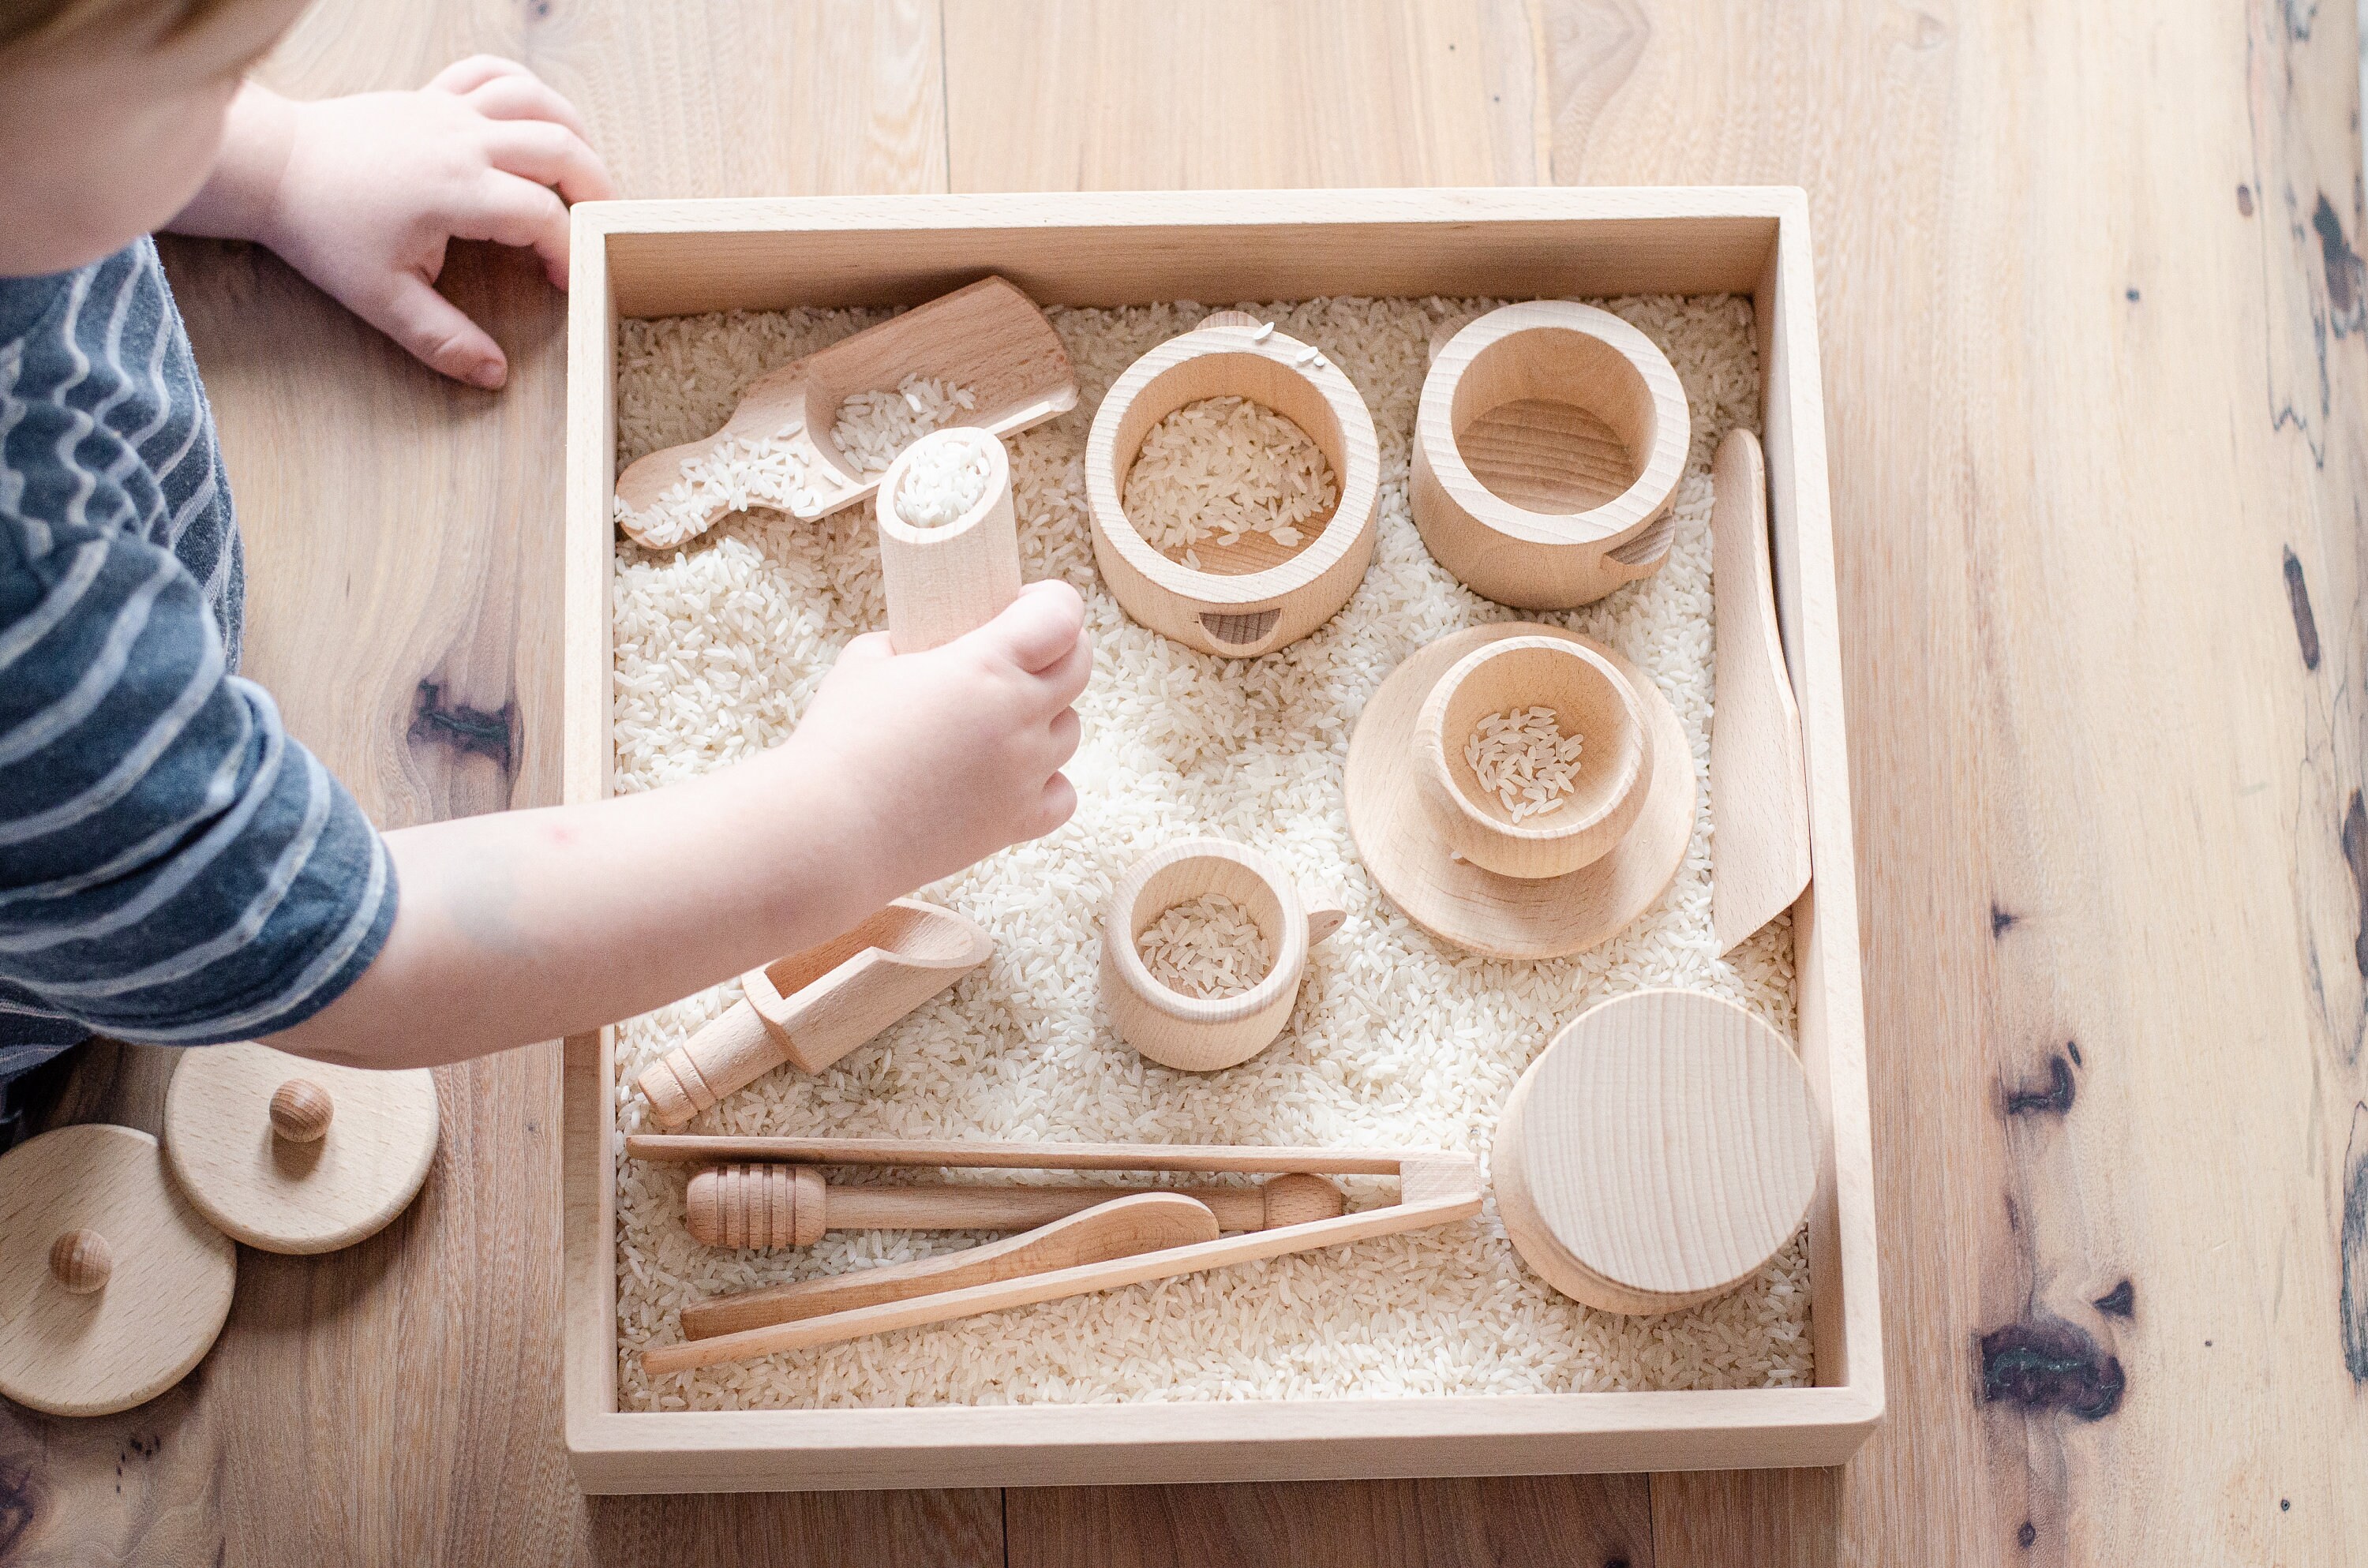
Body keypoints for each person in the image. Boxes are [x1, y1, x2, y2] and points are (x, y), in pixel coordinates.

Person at [0, 0, 1092, 1128]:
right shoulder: (35, 641)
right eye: (204, 81)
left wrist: (270, 163)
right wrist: (848, 817)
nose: (238, 82)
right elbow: (342, 951)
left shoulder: (40, 154)